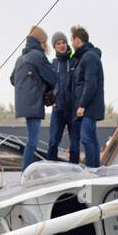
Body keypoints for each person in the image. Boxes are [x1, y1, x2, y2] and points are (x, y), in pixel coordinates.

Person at [9, 25, 57, 169]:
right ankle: (26, 172)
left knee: (31, 138)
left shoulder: (20, 58)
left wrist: (26, 85)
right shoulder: (37, 55)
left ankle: (28, 170)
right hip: (33, 102)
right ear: (41, 42)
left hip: (22, 103)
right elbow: (52, 77)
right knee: (33, 141)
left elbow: (12, 79)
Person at [69, 25, 105, 168]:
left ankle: (92, 169)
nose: (71, 44)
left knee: (86, 138)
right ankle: (95, 167)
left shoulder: (89, 57)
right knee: (91, 137)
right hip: (88, 106)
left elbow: (90, 84)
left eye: (72, 40)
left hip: (89, 107)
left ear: (77, 40)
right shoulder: (85, 57)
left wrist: (82, 105)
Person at [45, 31, 79, 164]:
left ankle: (75, 172)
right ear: (54, 47)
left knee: (75, 144)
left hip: (73, 110)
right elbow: (46, 84)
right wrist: (49, 99)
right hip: (57, 109)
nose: (61, 45)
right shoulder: (52, 63)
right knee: (53, 142)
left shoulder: (75, 61)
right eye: (58, 43)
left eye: (63, 42)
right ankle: (50, 169)